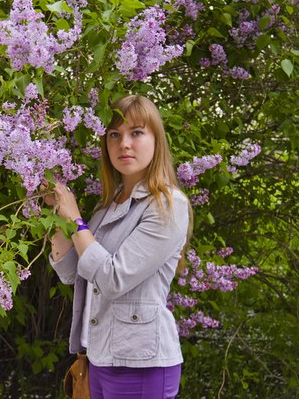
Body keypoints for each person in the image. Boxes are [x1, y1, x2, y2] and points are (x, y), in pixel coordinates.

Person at [45, 95, 191, 399]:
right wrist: (56, 212)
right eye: (114, 134)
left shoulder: (167, 205)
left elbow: (113, 279)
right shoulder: (106, 207)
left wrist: (75, 218)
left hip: (141, 365)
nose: (124, 144)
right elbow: (72, 272)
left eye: (136, 133)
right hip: (99, 358)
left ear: (156, 140)